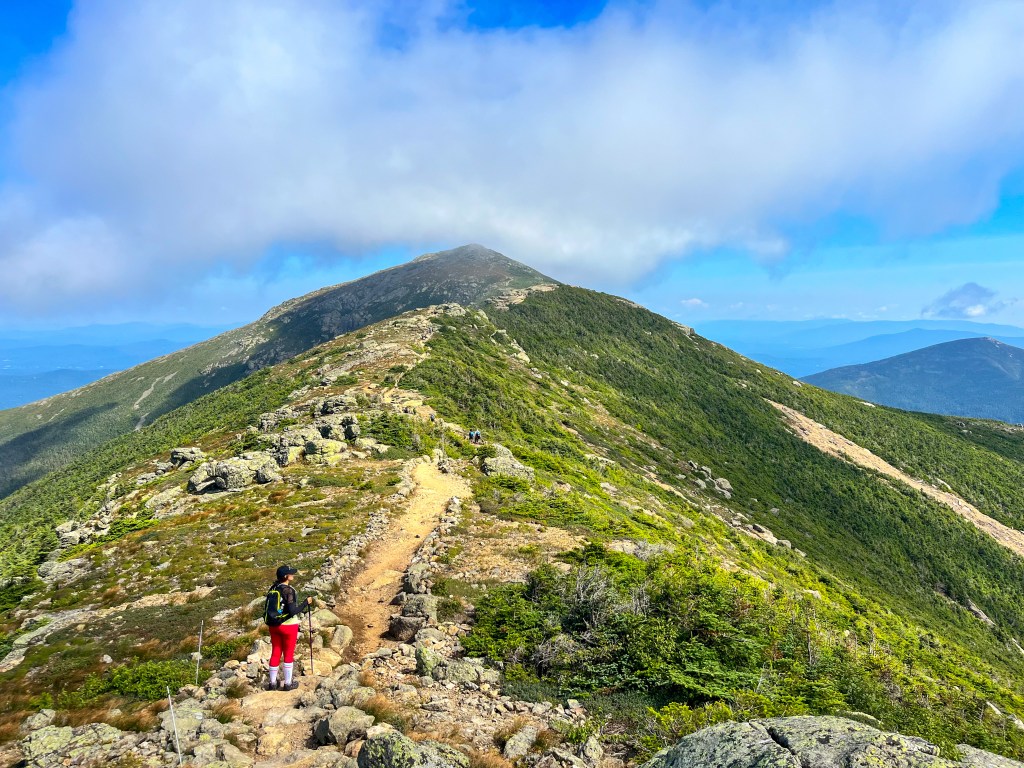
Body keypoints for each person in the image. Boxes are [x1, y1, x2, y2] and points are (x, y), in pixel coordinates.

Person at [263, 565, 313, 691]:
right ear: (286, 576)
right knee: (288, 653)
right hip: (289, 626)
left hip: (274, 625)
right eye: (291, 573)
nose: (293, 574)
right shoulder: (288, 590)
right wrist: (305, 603)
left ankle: (272, 683)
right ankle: (288, 683)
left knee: (276, 652)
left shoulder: (273, 588)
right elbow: (293, 611)